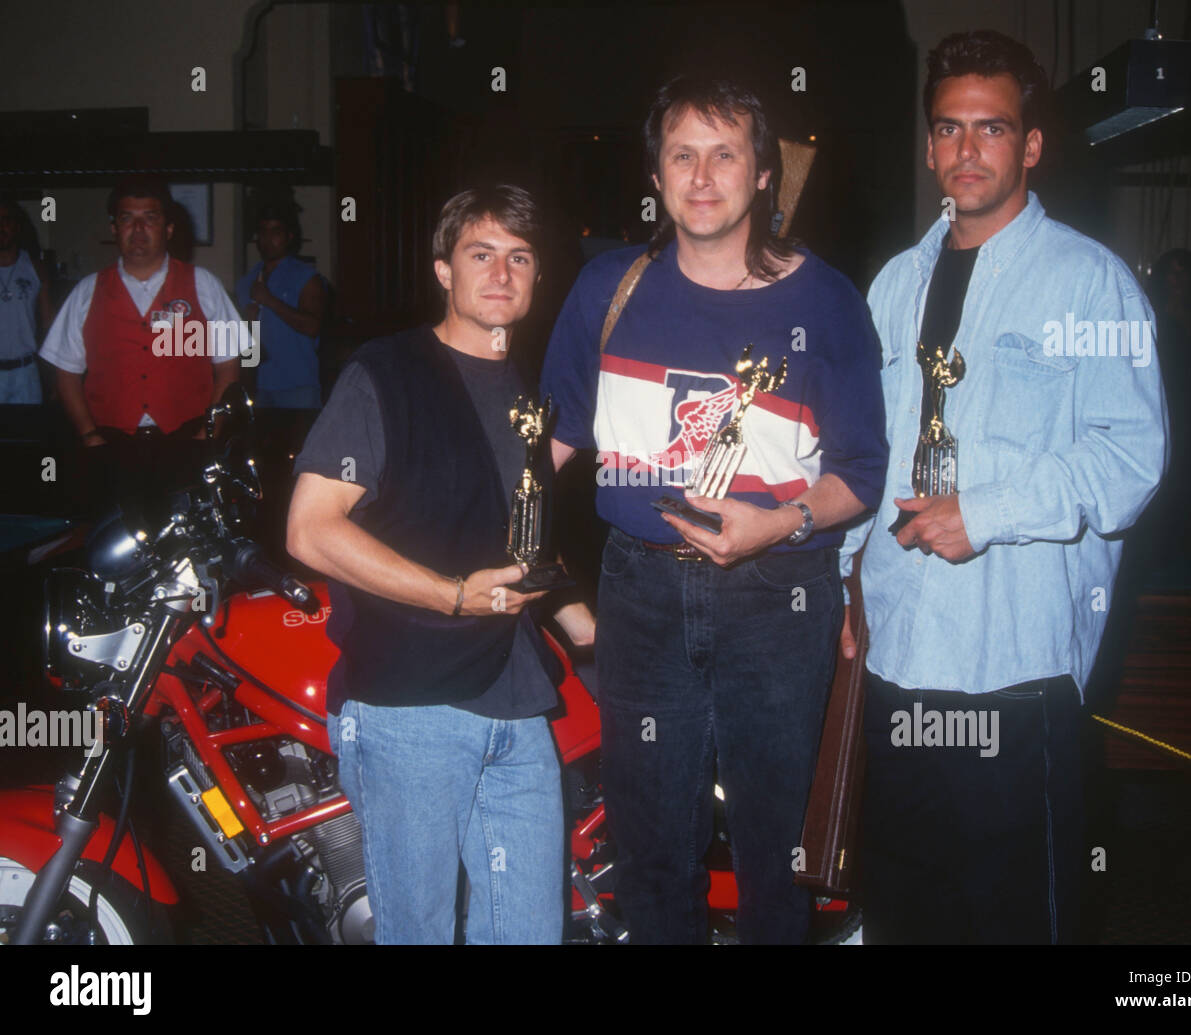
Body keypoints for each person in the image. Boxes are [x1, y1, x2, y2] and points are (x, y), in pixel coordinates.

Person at [541, 76, 888, 944]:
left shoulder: (827, 301)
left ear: (764, 172)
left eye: (724, 153)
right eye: (682, 154)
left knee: (776, 857)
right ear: (655, 174)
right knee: (652, 848)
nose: (702, 175)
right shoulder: (606, 289)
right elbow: (550, 442)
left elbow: (861, 470)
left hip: (780, 596)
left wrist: (783, 523)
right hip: (640, 591)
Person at [841, 30, 1167, 944]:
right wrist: (839, 580)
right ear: (929, 143)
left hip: (1014, 672)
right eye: (949, 129)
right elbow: (864, 451)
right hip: (898, 657)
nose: (966, 151)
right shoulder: (893, 287)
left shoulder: (1091, 285)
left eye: (992, 129)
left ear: (1030, 145)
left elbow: (1131, 460)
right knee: (905, 913)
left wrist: (986, 512)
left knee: (1016, 920)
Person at [286, 184, 594, 944]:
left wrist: (591, 628)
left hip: (517, 703)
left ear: (538, 278)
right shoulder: (386, 372)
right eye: (479, 254)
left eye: (519, 257)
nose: (500, 272)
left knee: (528, 932)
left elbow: (518, 544)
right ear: (442, 270)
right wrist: (451, 595)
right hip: (408, 707)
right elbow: (310, 528)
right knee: (417, 932)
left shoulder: (528, 396)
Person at [39, 177, 242, 445]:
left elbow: (230, 365)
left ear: (168, 229)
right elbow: (65, 372)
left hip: (188, 437)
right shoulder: (86, 292)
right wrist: (89, 435)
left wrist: (210, 432)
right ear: (113, 228)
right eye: (126, 219)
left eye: (150, 219)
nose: (137, 229)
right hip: (109, 440)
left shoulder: (205, 285)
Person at [236, 201, 326, 408]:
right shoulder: (245, 282)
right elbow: (244, 344)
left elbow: (312, 327)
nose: (268, 239)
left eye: (276, 232)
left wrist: (270, 301)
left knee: (300, 441)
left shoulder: (306, 277)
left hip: (298, 387)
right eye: (263, 232)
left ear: (289, 236)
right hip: (258, 388)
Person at [0, 198, 53, 405]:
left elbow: (49, 323)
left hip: (26, 373)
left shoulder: (35, 268)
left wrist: (53, 376)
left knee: (29, 433)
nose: (1, 227)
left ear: (17, 226)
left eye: (6, 220)